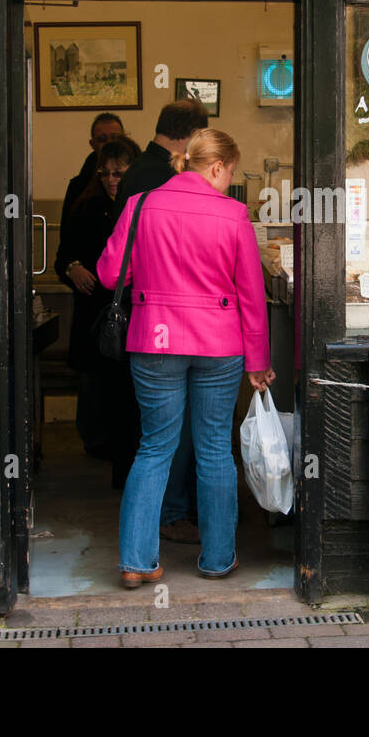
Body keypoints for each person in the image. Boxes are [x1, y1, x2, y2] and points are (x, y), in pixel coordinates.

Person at [97, 128, 274, 587]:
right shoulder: (234, 215)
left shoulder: (139, 205)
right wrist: (258, 360)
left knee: (154, 446)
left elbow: (110, 272)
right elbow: (251, 296)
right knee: (215, 448)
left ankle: (137, 561)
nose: (227, 181)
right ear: (217, 167)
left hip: (154, 341)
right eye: (229, 173)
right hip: (219, 344)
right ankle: (217, 559)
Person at [114, 98, 210, 543]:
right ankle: (177, 514)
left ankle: (141, 549)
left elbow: (114, 267)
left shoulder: (138, 174)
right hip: (181, 325)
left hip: (148, 325)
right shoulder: (162, 177)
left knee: (156, 439)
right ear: (190, 135)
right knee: (182, 436)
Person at [55, 136, 142, 480]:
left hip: (131, 312)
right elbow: (64, 255)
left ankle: (126, 465)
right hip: (97, 313)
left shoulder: (139, 206)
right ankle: (112, 458)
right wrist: (72, 267)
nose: (110, 180)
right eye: (104, 173)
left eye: (118, 174)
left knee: (129, 395)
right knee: (106, 392)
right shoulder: (86, 205)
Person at [62, 113, 125, 220]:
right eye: (102, 139)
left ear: (125, 140)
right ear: (92, 144)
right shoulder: (79, 186)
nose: (109, 144)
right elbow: (67, 234)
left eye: (115, 138)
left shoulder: (138, 179)